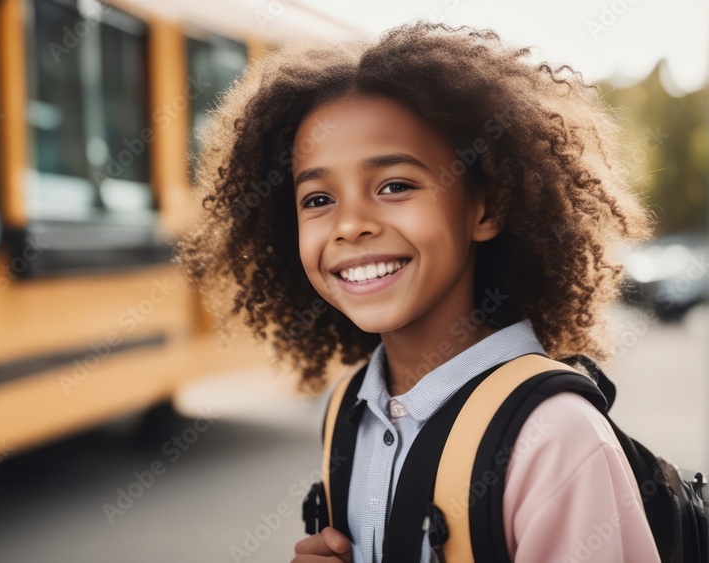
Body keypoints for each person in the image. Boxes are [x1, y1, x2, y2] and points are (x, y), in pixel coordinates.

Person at [174, 21, 662, 563]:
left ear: (487, 207)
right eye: (317, 199)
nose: (350, 224)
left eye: (395, 186)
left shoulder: (555, 439)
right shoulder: (349, 410)